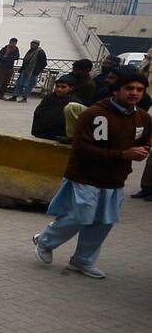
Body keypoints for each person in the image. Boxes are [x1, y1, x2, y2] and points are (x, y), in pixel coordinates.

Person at [33, 71, 150, 278]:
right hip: (86, 176)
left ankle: (82, 260)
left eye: (139, 90)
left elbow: (143, 141)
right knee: (81, 216)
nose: (134, 93)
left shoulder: (142, 118)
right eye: (129, 88)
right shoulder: (98, 114)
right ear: (116, 90)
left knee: (104, 221)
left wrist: (143, 151)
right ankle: (45, 240)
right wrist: (123, 154)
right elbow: (84, 148)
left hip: (115, 179)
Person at [31, 75, 79, 143]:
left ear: (71, 88)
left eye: (63, 87)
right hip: (42, 135)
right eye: (57, 86)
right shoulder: (49, 98)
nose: (59, 89)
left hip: (60, 138)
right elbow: (39, 115)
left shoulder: (74, 103)